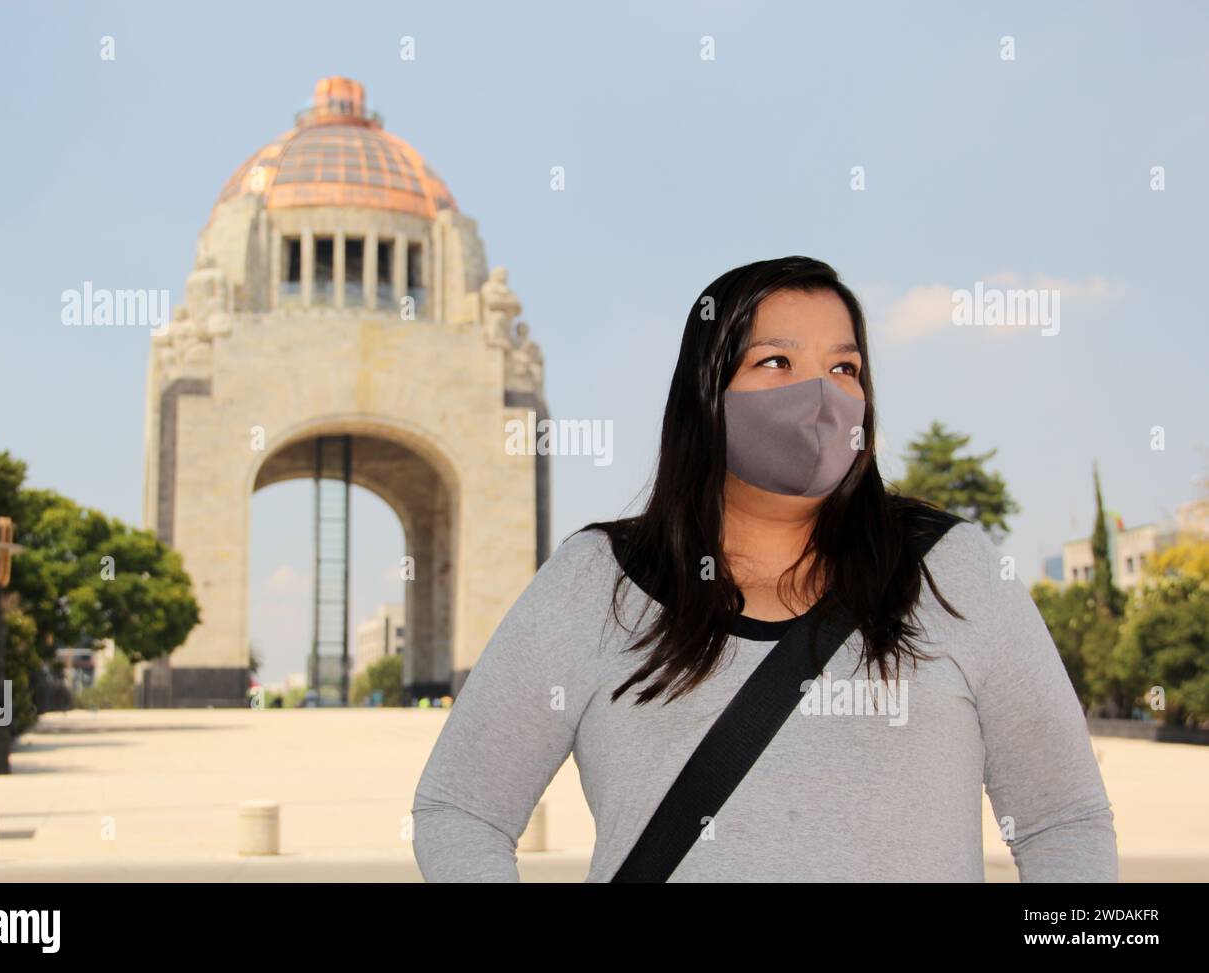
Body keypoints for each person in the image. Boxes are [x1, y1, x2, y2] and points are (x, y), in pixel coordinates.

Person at [411, 256, 1118, 882]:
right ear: (705, 392)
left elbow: (1063, 820)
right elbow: (461, 808)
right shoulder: (598, 579)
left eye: (844, 368)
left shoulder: (951, 569)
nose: (822, 396)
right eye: (777, 362)